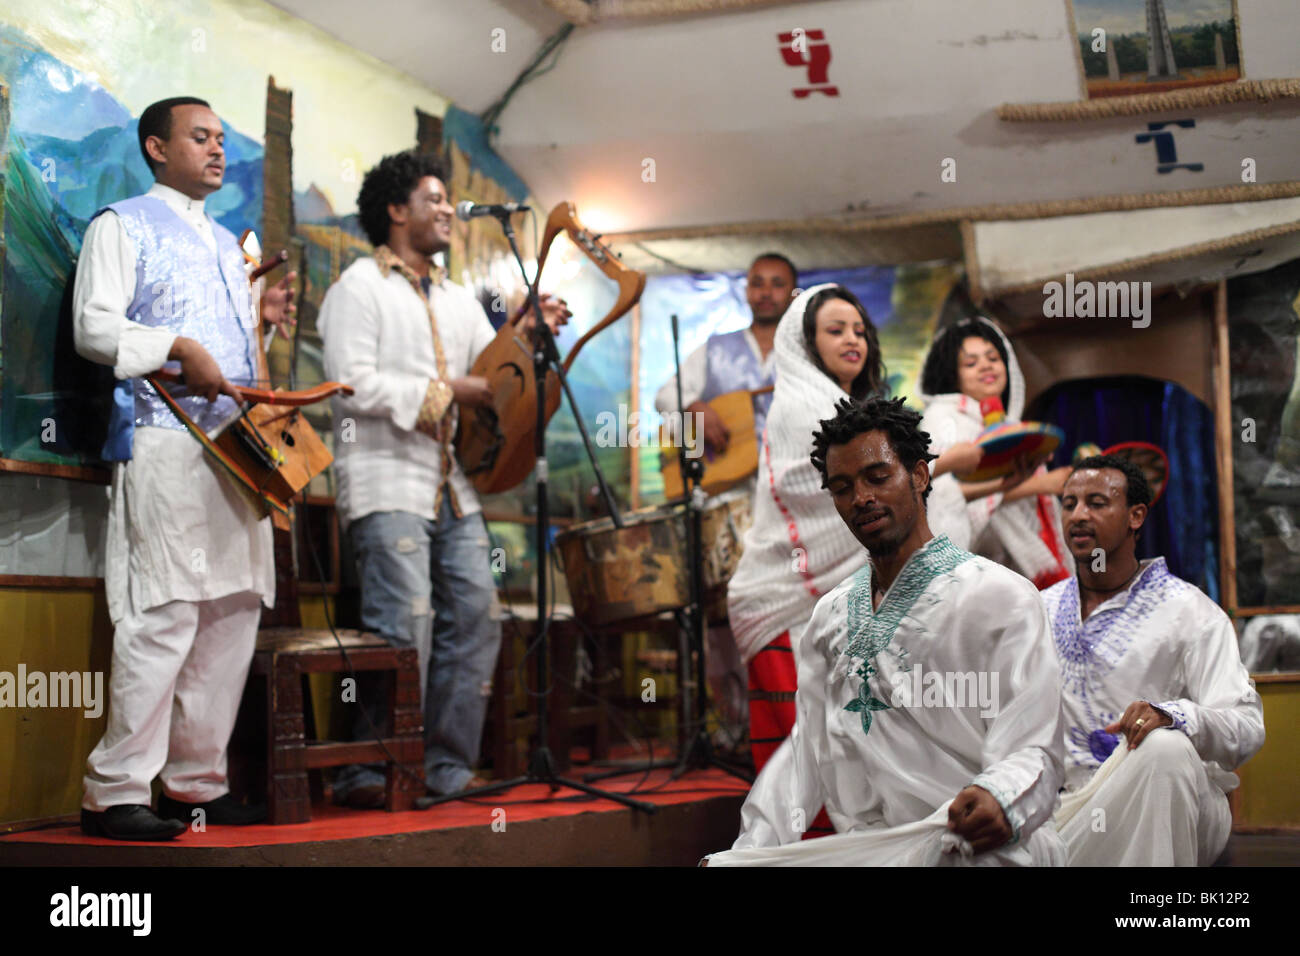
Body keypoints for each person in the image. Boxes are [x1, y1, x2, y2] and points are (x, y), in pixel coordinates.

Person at [707, 397, 1066, 866]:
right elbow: (803, 754)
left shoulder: (1002, 596)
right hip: (875, 850)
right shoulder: (829, 616)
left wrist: (1001, 795)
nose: (861, 498)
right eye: (842, 487)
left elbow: (1034, 743)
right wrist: (750, 850)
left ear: (919, 475)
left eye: (877, 477)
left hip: (979, 841)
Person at [73, 96, 296, 839]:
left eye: (222, 139)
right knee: (164, 613)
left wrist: (256, 316)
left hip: (238, 450)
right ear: (156, 148)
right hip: (165, 439)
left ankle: (195, 786)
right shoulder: (121, 223)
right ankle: (115, 792)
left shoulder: (233, 247)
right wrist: (177, 347)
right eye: (200, 137)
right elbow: (94, 326)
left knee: (233, 611)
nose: (217, 149)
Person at [319, 150, 567, 806]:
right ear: (396, 211)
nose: (447, 212)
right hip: (384, 479)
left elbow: (489, 370)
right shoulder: (359, 288)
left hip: (450, 482)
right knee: (406, 625)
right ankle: (369, 771)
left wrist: (525, 331)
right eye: (432, 200)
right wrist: (445, 391)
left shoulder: (458, 300)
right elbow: (349, 386)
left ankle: (443, 767)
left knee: (478, 613)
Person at [1045, 456, 1265, 866]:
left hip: (1167, 800)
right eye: (1069, 503)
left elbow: (1247, 727)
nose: (1078, 515)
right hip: (1063, 809)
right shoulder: (1038, 608)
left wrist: (1174, 716)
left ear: (1136, 516)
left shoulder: (1190, 612)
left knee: (1164, 749)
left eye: (1096, 502)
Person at [918, 317, 1074, 589]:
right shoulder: (944, 419)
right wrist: (1040, 484)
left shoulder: (1007, 425)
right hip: (978, 573)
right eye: (971, 363)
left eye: (993, 357)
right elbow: (943, 497)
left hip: (1016, 572)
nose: (986, 366)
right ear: (952, 373)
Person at [654, 252, 797, 452]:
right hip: (727, 479)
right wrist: (693, 408)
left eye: (778, 284)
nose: (766, 292)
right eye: (757, 283)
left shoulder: (807, 353)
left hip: (794, 479)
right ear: (746, 291)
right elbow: (666, 395)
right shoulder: (715, 349)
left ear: (794, 294)